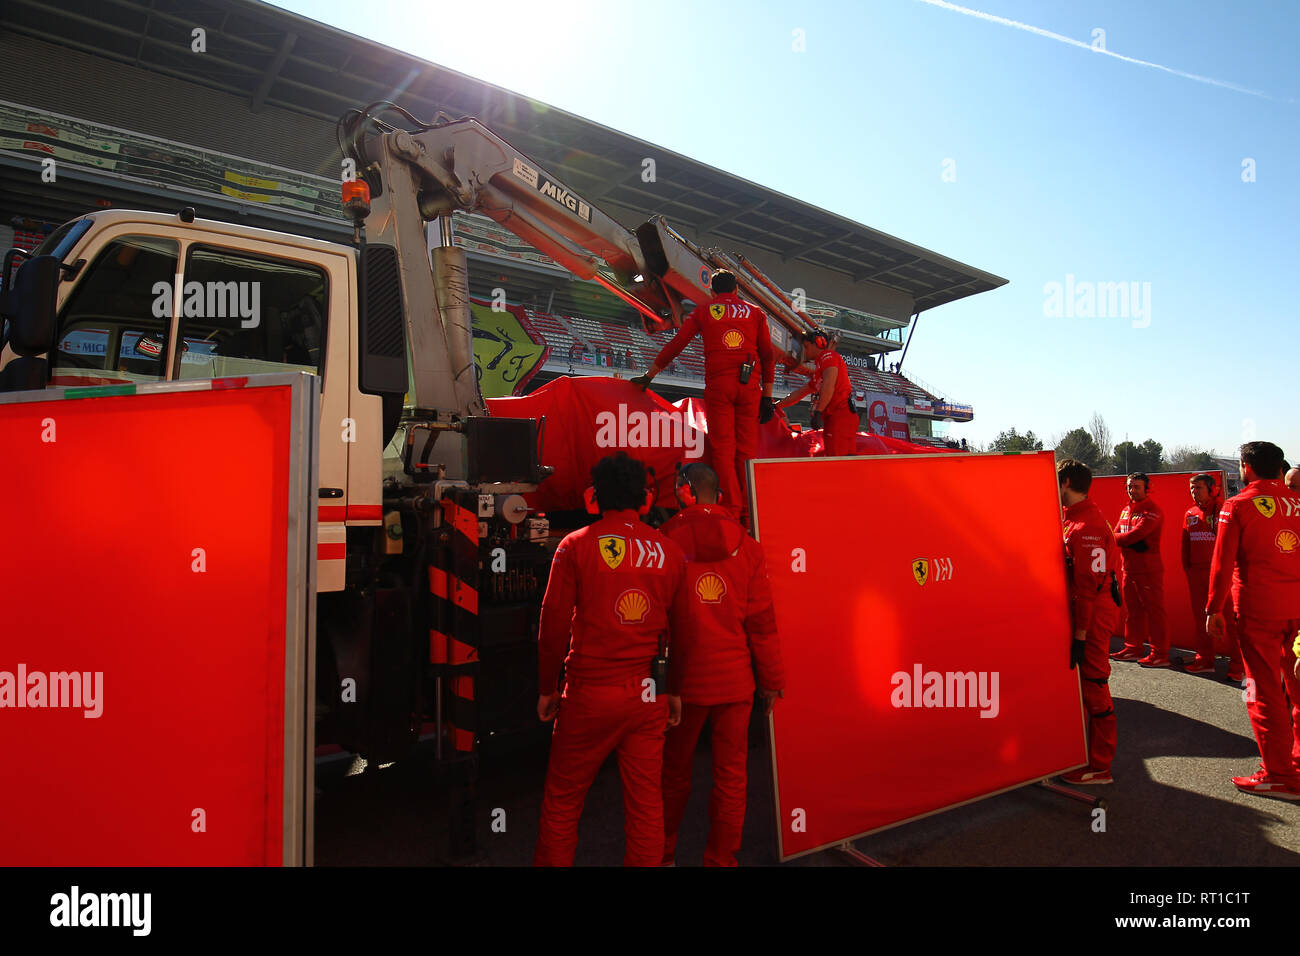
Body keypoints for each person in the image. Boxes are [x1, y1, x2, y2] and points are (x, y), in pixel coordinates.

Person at [534, 452, 691, 865]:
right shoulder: (670, 552)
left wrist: (546, 689)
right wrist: (672, 691)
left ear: (594, 497)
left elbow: (552, 627)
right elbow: (685, 633)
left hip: (588, 696)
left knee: (563, 803)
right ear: (643, 498)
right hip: (647, 696)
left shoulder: (575, 546)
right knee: (645, 805)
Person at [657, 463, 785, 865]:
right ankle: (721, 860)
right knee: (732, 779)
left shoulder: (663, 542)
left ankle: (662, 855)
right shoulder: (748, 547)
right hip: (735, 683)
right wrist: (771, 680)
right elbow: (762, 624)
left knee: (672, 776)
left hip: (683, 684)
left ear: (686, 490)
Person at [631, 271, 775, 524]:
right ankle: (750, 513)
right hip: (750, 386)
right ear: (736, 291)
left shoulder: (705, 310)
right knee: (746, 452)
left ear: (711, 291)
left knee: (723, 450)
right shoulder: (755, 312)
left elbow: (678, 343)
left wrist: (650, 374)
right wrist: (768, 396)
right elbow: (768, 355)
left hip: (720, 386)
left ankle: (731, 510)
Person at [1206, 441, 1300, 800]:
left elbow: (1223, 561)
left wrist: (1213, 608)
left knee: (1262, 691)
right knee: (1297, 684)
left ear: (1245, 467)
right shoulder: (1297, 502)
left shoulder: (1239, 505)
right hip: (1296, 609)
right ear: (1279, 467)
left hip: (1259, 610)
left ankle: (1279, 775)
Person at [1058, 459, 1122, 784]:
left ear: (1066, 482)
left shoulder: (1087, 527)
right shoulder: (1076, 521)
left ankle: (1100, 766)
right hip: (1088, 610)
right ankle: (1083, 755)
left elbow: (1087, 587)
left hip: (1094, 614)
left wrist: (1081, 635)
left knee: (1095, 685)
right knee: (1084, 686)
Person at [1180, 473, 1244, 680]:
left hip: (1222, 575)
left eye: (1198, 487)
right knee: (1201, 620)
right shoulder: (1189, 513)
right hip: (1197, 575)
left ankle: (1238, 666)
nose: (1194, 491)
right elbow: (1185, 545)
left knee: (1231, 623)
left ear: (1212, 489)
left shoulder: (1225, 510)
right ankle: (1205, 660)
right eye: (1192, 488)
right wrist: (1188, 569)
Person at [1109, 472, 1170, 667]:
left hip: (1148, 570)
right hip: (1129, 568)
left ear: (1147, 488)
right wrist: (1119, 539)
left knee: (1154, 612)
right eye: (1129, 486)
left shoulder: (1152, 510)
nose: (1132, 490)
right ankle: (1133, 647)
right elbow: (1117, 533)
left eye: (1136, 487)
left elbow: (1133, 536)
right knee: (1132, 611)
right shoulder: (1126, 510)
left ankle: (1160, 653)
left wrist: (1117, 539)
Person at [775, 330, 857, 457]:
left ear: (819, 343)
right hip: (837, 417)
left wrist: (819, 411)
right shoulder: (819, 370)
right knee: (841, 458)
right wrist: (777, 406)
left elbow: (829, 383)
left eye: (806, 347)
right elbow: (799, 393)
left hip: (840, 415)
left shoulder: (828, 356)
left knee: (837, 460)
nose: (805, 351)